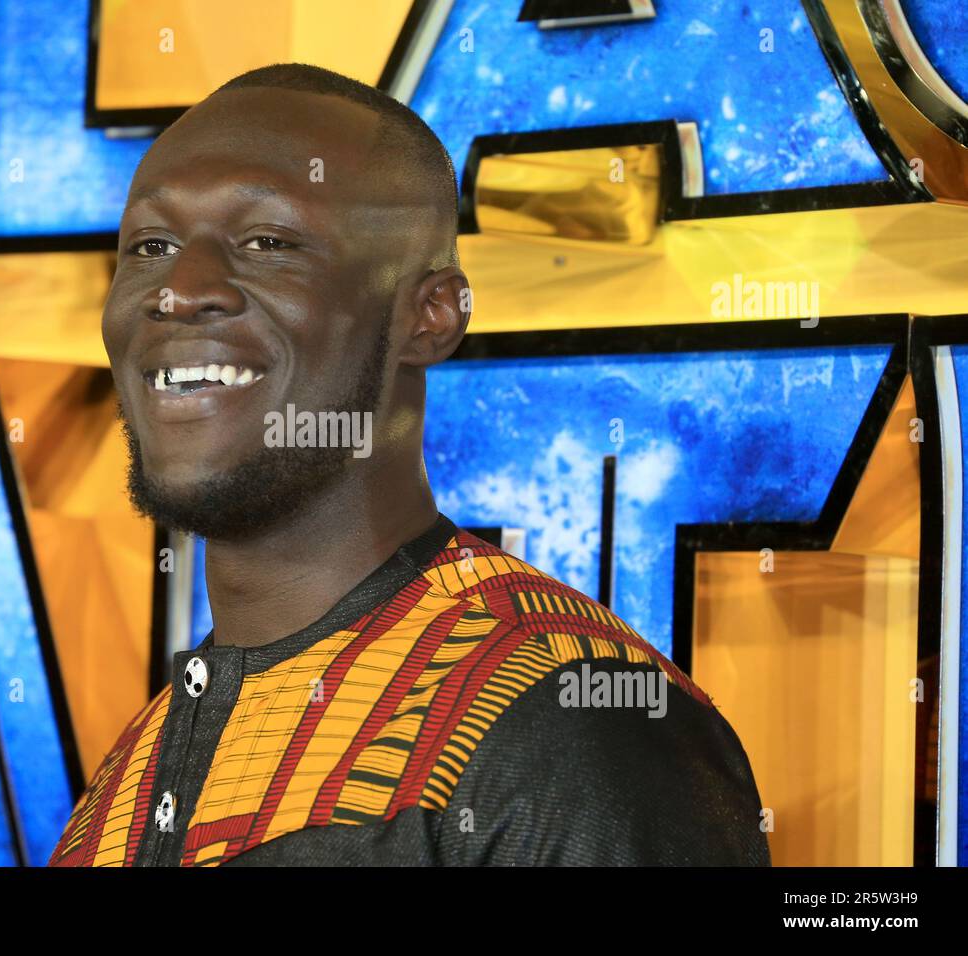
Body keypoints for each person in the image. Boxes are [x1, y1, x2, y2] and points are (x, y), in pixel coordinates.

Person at [49, 63, 770, 867]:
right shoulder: (124, 784)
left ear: (429, 316)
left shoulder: (570, 716)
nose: (182, 290)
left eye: (267, 242)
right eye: (151, 245)